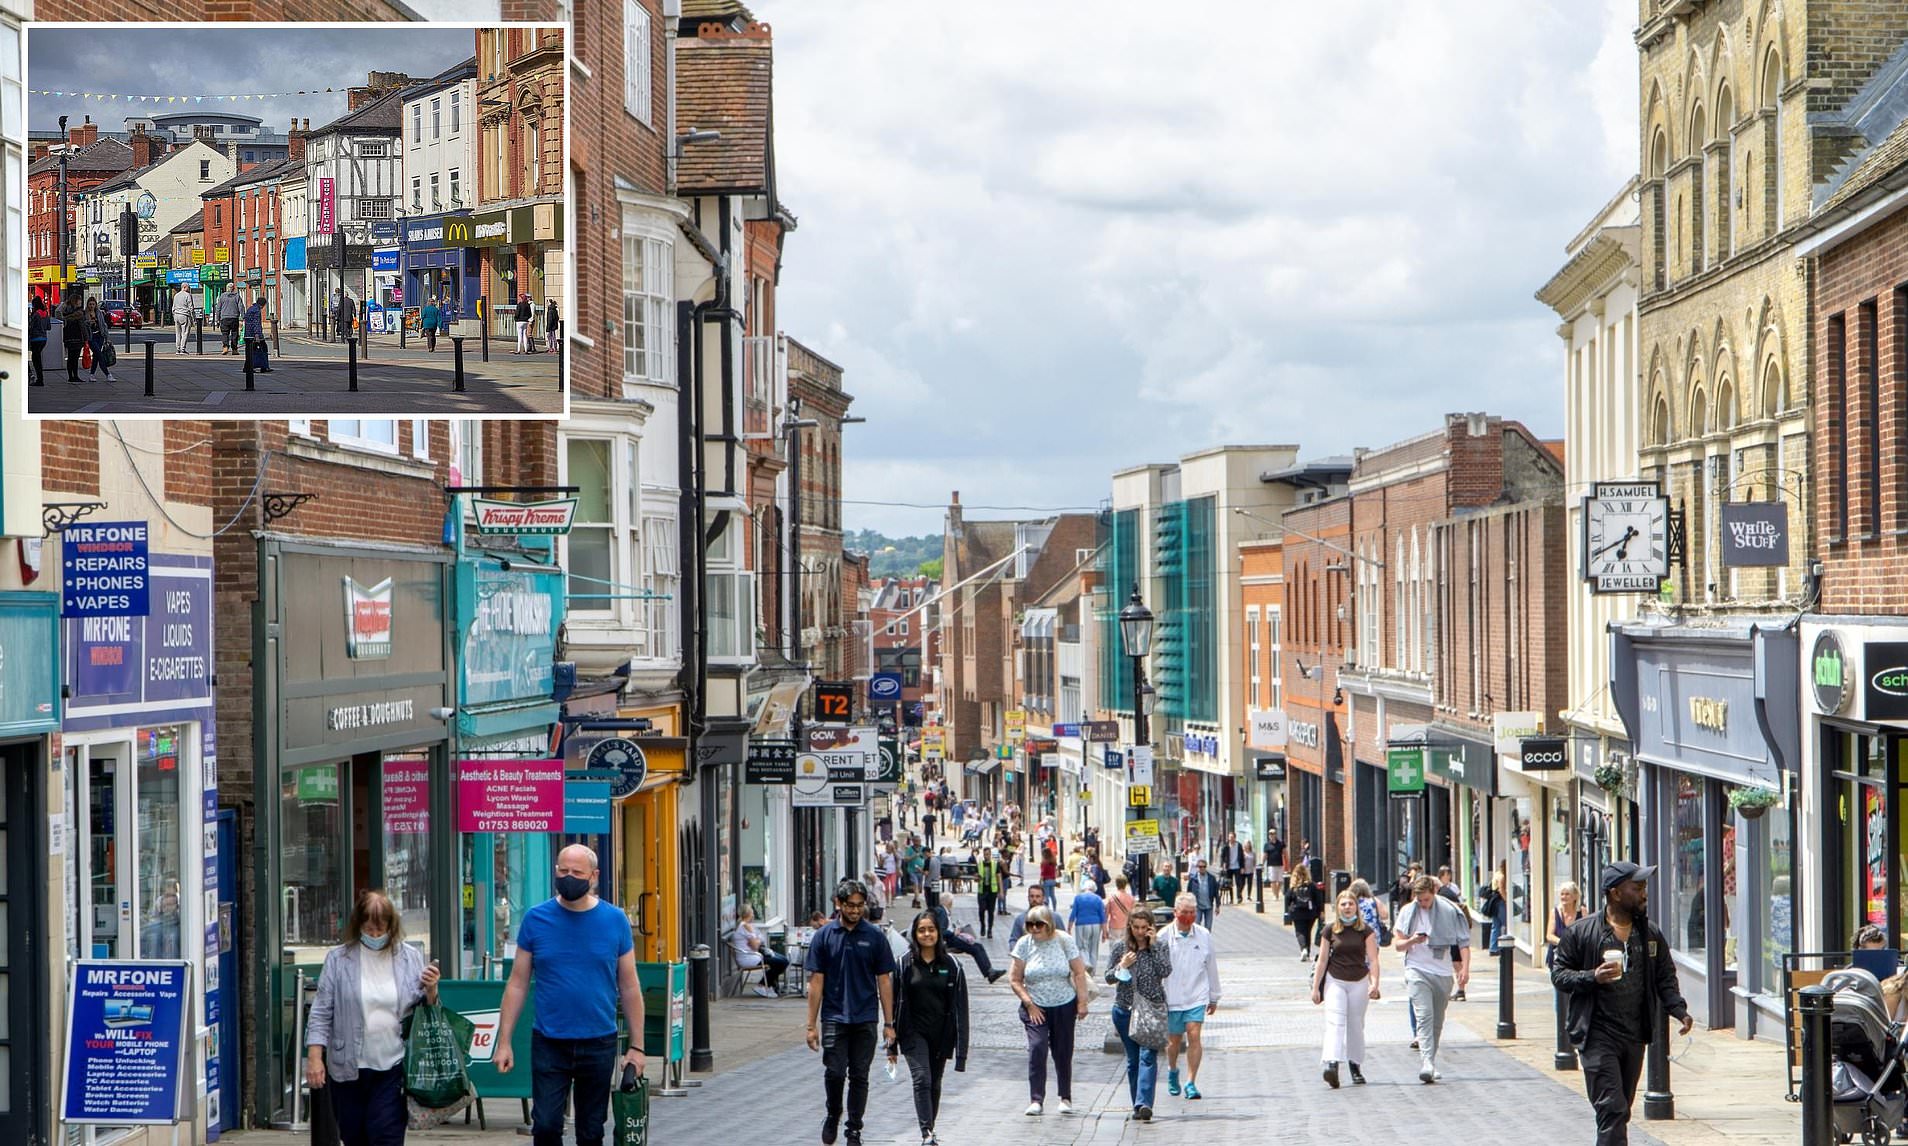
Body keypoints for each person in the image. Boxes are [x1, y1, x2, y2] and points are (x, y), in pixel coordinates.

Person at [492, 845, 646, 1146]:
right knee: (546, 1125)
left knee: (591, 1131)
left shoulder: (615, 920)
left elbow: (629, 986)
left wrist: (637, 1048)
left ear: (594, 876)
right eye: (563, 871)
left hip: (599, 1041)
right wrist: (504, 1041)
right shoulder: (536, 919)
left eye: (577, 872)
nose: (568, 877)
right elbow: (517, 983)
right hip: (550, 1041)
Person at [1552, 862, 1693, 1146]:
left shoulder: (1649, 934)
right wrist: (1592, 976)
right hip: (1596, 1035)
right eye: (1637, 888)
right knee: (1612, 1108)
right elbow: (1559, 974)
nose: (1644, 894)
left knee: (1621, 1109)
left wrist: (1678, 1009)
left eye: (1644, 887)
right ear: (1615, 893)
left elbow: (1665, 976)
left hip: (1634, 1035)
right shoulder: (1582, 932)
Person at [305, 890, 441, 1146]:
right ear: (358, 926)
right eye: (369, 929)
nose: (376, 935)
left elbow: (425, 1008)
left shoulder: (409, 957)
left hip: (394, 1064)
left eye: (381, 930)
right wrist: (314, 1058)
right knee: (354, 1136)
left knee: (386, 1135)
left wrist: (432, 989)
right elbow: (321, 1011)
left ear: (392, 927)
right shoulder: (338, 959)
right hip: (348, 1066)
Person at [804, 879, 897, 1146]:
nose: (855, 910)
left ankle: (854, 1129)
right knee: (834, 1072)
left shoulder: (875, 937)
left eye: (859, 905)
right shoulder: (824, 936)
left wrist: (889, 1023)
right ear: (839, 904)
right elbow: (816, 982)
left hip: (865, 1017)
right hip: (834, 1016)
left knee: (859, 1075)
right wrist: (811, 1025)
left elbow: (884, 981)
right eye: (850, 905)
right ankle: (833, 1113)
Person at [887, 910, 969, 1146]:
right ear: (914, 934)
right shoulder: (903, 963)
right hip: (912, 1032)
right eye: (921, 930)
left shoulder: (952, 966)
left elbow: (961, 1009)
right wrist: (891, 1043)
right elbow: (893, 1003)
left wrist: (961, 1053)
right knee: (922, 1078)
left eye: (931, 930)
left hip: (941, 1034)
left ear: (938, 933)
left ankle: (929, 1130)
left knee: (934, 1082)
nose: (926, 934)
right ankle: (927, 1134)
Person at [1007, 904, 1090, 1117]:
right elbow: (1015, 979)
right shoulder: (1024, 944)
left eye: (1039, 924)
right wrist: (1029, 1003)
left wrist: (1082, 1002)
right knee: (1037, 1048)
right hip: (1036, 1006)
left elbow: (1079, 972)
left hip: (1064, 1004)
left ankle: (1065, 1096)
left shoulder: (1063, 940)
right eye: (1030, 925)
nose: (1034, 928)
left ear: (1049, 924)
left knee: (1063, 1051)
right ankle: (1036, 1099)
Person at [1394, 874, 1472, 1083]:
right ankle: (1426, 1063)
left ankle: (1431, 1061)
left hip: (1442, 972)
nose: (1423, 904)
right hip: (1416, 969)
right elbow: (1398, 945)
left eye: (1426, 899)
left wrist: (1465, 969)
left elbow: (1464, 942)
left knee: (1437, 1021)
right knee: (1424, 1016)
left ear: (1434, 893)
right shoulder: (1407, 912)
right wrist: (1412, 941)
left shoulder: (1450, 911)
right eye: (1419, 900)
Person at [1106, 906, 1172, 1122]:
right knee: (1133, 1059)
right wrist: (1122, 966)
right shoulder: (1120, 947)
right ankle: (1138, 1104)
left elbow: (1165, 971)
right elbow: (1108, 977)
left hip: (1151, 1008)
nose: (1141, 932)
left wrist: (1153, 947)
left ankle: (1144, 1104)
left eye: (1145, 928)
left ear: (1151, 927)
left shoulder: (1159, 946)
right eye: (1136, 927)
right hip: (1125, 1009)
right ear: (1130, 927)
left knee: (1148, 1056)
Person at [1311, 888, 1381, 1088]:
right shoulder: (1329, 930)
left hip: (1359, 981)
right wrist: (1315, 988)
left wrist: (1374, 984)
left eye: (1351, 904)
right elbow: (1322, 960)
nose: (1347, 907)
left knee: (1356, 1024)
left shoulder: (1366, 930)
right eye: (1343, 904)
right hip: (1335, 980)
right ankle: (1331, 1065)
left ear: (1356, 907)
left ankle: (1355, 1065)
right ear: (1337, 907)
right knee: (1335, 1021)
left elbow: (1373, 960)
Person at [1162, 892, 1220, 1101]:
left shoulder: (1204, 935)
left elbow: (1211, 966)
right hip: (1172, 996)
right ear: (1175, 912)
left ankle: (1191, 1081)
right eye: (1184, 912)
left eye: (1192, 912)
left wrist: (1214, 996)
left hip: (1197, 994)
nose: (1188, 917)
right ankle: (1172, 1070)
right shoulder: (1163, 936)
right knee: (1174, 1041)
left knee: (1194, 1035)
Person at [931, 891, 1004, 983]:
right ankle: (989, 972)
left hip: (950, 938)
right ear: (949, 902)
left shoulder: (942, 911)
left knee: (978, 946)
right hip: (950, 940)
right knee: (976, 948)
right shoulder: (942, 912)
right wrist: (954, 932)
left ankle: (989, 971)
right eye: (952, 903)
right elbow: (941, 931)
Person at [731, 905, 790, 998]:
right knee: (782, 962)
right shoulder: (746, 926)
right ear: (749, 914)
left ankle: (769, 985)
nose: (753, 915)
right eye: (752, 912)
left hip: (753, 955)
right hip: (750, 958)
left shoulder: (745, 925)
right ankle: (762, 985)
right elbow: (755, 946)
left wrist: (757, 940)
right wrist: (758, 940)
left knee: (783, 959)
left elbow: (756, 943)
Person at [1547, 881, 1589, 972]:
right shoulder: (1555, 912)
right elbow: (1549, 936)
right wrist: (1563, 943)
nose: (1564, 897)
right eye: (1562, 894)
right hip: (1558, 958)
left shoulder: (1582, 912)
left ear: (1575, 896)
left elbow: (1587, 934)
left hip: (1577, 958)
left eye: (1567, 894)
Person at [1068, 881, 1107, 972]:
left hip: (1082, 924)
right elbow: (1102, 916)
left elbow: (1073, 913)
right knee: (1094, 948)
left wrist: (1069, 927)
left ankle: (1086, 962)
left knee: (1082, 946)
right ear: (1094, 888)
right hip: (1096, 924)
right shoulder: (1098, 899)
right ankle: (1092, 971)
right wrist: (1104, 931)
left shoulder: (1078, 898)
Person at [1288, 868, 1322, 961]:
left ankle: (1303, 949)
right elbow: (1318, 899)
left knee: (1300, 932)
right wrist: (1320, 911)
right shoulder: (1312, 885)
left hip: (1297, 912)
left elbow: (1288, 898)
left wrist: (1288, 911)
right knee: (1307, 932)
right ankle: (1307, 953)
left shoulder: (1294, 886)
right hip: (1310, 913)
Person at [58, 286, 88, 384]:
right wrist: (86, 338)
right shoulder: (79, 313)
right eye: (79, 300)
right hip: (77, 337)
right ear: (76, 301)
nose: (81, 302)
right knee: (75, 358)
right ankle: (75, 376)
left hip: (68, 337)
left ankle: (70, 376)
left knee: (70, 358)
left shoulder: (65, 311)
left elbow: (58, 314)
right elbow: (83, 326)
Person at [84, 298, 117, 383]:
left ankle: (92, 375)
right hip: (91, 337)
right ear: (87, 305)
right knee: (99, 354)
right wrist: (88, 323)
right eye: (90, 304)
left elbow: (103, 325)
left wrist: (106, 337)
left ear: (95, 305)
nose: (91, 306)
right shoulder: (85, 313)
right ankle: (108, 374)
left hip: (100, 336)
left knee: (96, 356)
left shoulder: (99, 313)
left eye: (93, 304)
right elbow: (83, 325)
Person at [1106, 875, 1137, 959]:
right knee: (1125, 946)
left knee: (1113, 947)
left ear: (1116, 884)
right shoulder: (1131, 898)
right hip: (1126, 925)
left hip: (1114, 925)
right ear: (1126, 884)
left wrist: (1104, 929)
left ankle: (1114, 961)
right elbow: (1133, 914)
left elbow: (1106, 914)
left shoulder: (1111, 897)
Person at [974, 848, 1003, 937]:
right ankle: (983, 925)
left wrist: (1001, 891)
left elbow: (999, 878)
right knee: (981, 910)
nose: (986, 856)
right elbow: (975, 878)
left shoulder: (995, 864)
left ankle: (989, 930)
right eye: (985, 854)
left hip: (992, 891)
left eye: (988, 854)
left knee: (991, 911)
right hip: (982, 891)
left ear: (990, 854)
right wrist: (977, 878)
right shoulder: (979, 864)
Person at [1187, 859, 1222, 930]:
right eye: (1200, 867)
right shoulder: (1193, 879)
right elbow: (1189, 893)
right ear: (1197, 867)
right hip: (1197, 906)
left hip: (1209, 906)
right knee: (1196, 926)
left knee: (1208, 927)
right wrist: (1189, 906)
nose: (1202, 868)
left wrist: (1217, 906)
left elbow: (1216, 893)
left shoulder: (1211, 878)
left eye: (1204, 866)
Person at [243, 294, 273, 374]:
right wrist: (257, 335)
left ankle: (247, 367)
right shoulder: (257, 311)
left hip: (248, 333)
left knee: (250, 351)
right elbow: (256, 323)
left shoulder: (251, 308)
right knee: (264, 349)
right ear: (263, 304)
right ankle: (264, 367)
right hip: (255, 335)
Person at [217, 284, 243, 354]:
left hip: (224, 318)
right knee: (235, 333)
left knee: (225, 333)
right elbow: (241, 307)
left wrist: (217, 319)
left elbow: (218, 308)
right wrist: (243, 317)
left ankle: (225, 347)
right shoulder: (237, 296)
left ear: (226, 288)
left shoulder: (222, 296)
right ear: (233, 288)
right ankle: (234, 349)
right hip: (234, 317)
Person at [28, 298, 48, 386]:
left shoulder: (35, 314)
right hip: (44, 338)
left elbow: (31, 327)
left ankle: (40, 380)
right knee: (38, 358)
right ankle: (40, 379)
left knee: (36, 360)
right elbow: (49, 327)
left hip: (35, 338)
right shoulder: (45, 313)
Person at [1220, 833, 1244, 904]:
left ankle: (1239, 897)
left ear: (1235, 838)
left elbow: (1242, 857)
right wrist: (1222, 865)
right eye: (1230, 837)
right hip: (1229, 867)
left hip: (1237, 866)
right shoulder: (1226, 846)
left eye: (1232, 837)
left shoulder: (1239, 845)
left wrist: (1242, 867)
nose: (1231, 839)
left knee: (1239, 883)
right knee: (1229, 884)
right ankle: (1231, 899)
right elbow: (1222, 856)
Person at [171, 283, 196, 353]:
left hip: (176, 315)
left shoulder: (176, 295)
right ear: (184, 287)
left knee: (178, 333)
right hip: (184, 315)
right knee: (185, 333)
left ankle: (178, 349)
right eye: (188, 287)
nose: (189, 289)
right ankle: (182, 349)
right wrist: (193, 318)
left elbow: (173, 307)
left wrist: (174, 315)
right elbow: (191, 307)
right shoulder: (188, 295)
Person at [1265, 831, 1286, 900]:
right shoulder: (1267, 845)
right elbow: (1265, 855)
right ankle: (1275, 895)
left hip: (1280, 864)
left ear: (1275, 835)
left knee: (1280, 881)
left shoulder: (1281, 843)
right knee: (1273, 880)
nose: (1271, 835)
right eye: (1270, 834)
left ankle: (1276, 892)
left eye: (1273, 834)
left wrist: (1287, 864)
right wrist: (1262, 863)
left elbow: (1285, 853)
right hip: (1271, 865)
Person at [1039, 842, 1059, 907]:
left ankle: (1047, 908)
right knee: (1053, 895)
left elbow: (1042, 873)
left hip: (1046, 880)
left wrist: (1040, 880)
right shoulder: (1053, 862)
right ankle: (1054, 908)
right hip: (1053, 880)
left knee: (1046, 896)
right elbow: (1055, 871)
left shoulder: (1044, 863)